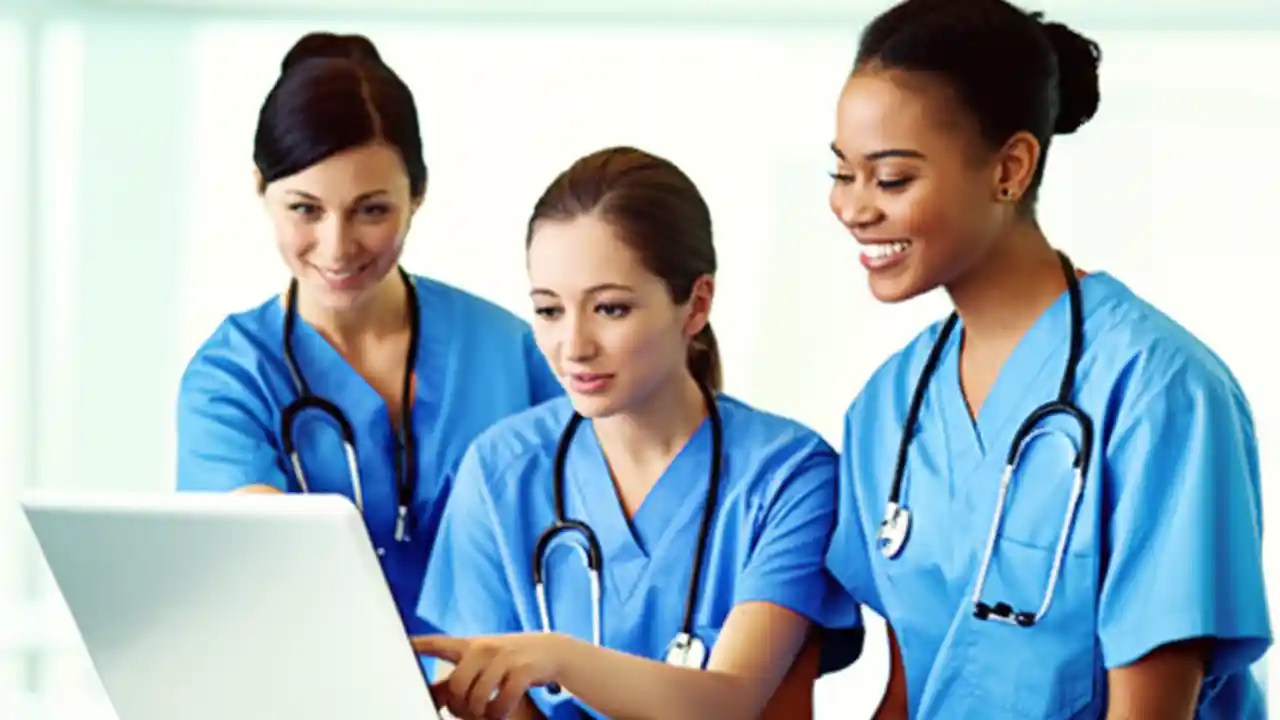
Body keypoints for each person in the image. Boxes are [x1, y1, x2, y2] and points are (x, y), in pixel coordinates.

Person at [821, 1, 1271, 718]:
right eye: (842, 173)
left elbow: (1153, 706)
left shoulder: (1158, 391)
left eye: (892, 179)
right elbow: (912, 688)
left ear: (1010, 167)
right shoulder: (888, 407)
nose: (853, 208)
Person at [411, 146, 862, 720]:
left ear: (695, 305)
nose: (574, 346)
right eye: (549, 311)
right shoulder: (500, 470)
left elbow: (732, 702)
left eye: (611, 309)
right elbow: (480, 693)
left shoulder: (788, 478)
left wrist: (559, 659)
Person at [175, 32, 561, 644]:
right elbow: (256, 571)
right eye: (305, 209)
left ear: (418, 195)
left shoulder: (509, 350)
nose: (337, 247)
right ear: (260, 190)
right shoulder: (232, 378)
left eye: (372, 210)